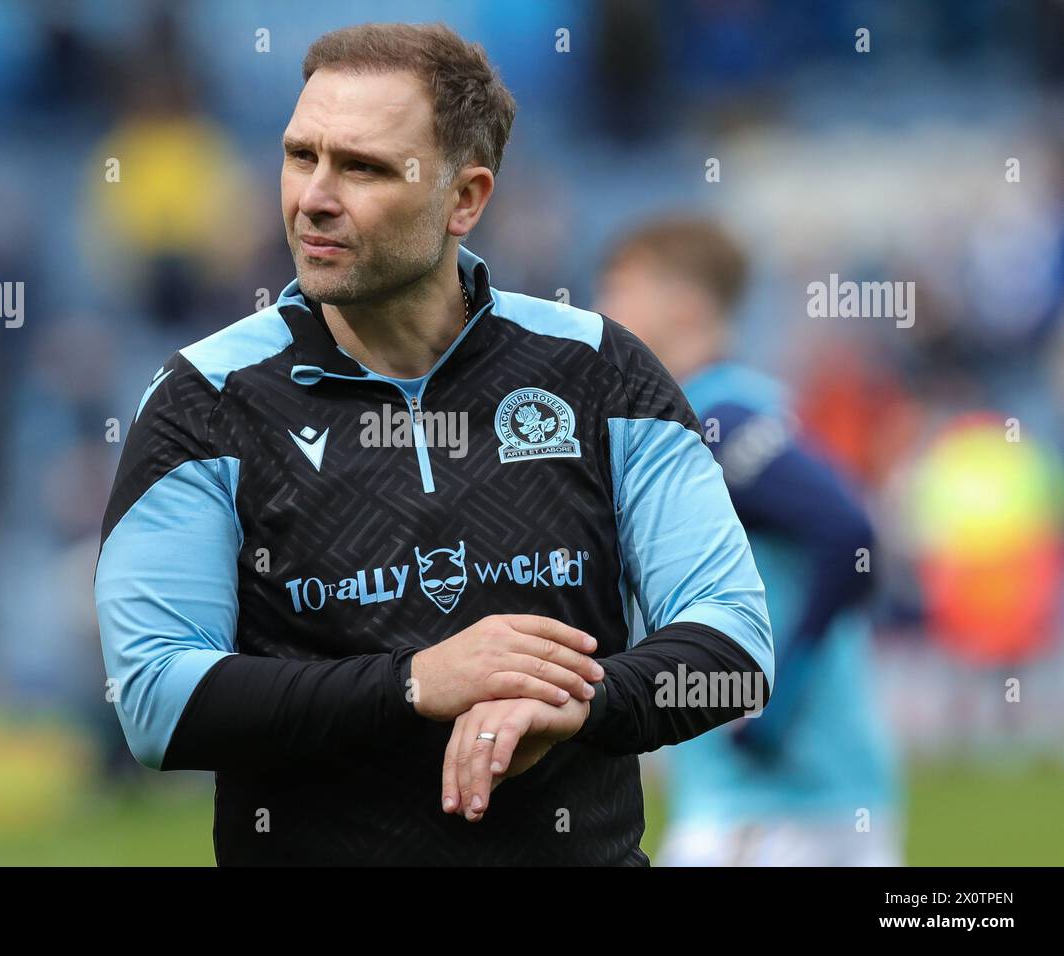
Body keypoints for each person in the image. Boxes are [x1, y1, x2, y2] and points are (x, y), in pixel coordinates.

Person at [95, 23, 771, 866]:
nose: (314, 197)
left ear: (466, 199)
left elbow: (736, 648)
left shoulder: (600, 371)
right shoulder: (204, 401)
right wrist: (415, 685)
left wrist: (576, 703)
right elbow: (156, 701)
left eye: (364, 167)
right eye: (301, 156)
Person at [596, 216, 901, 865]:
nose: (604, 309)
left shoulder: (718, 420)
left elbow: (850, 537)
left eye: (622, 288)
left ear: (683, 303)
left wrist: (777, 697)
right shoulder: (722, 409)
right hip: (776, 799)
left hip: (779, 808)